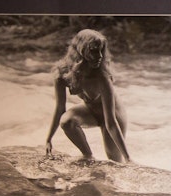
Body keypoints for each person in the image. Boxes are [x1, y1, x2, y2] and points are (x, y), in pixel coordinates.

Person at [46, 28, 131, 163]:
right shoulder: (62, 73)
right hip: (90, 110)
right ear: (80, 50)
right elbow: (60, 109)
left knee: (115, 162)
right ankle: (88, 156)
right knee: (66, 121)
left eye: (101, 50)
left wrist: (128, 158)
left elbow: (111, 122)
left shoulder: (102, 77)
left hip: (113, 116)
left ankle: (123, 160)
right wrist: (49, 139)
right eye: (93, 51)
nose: (100, 56)